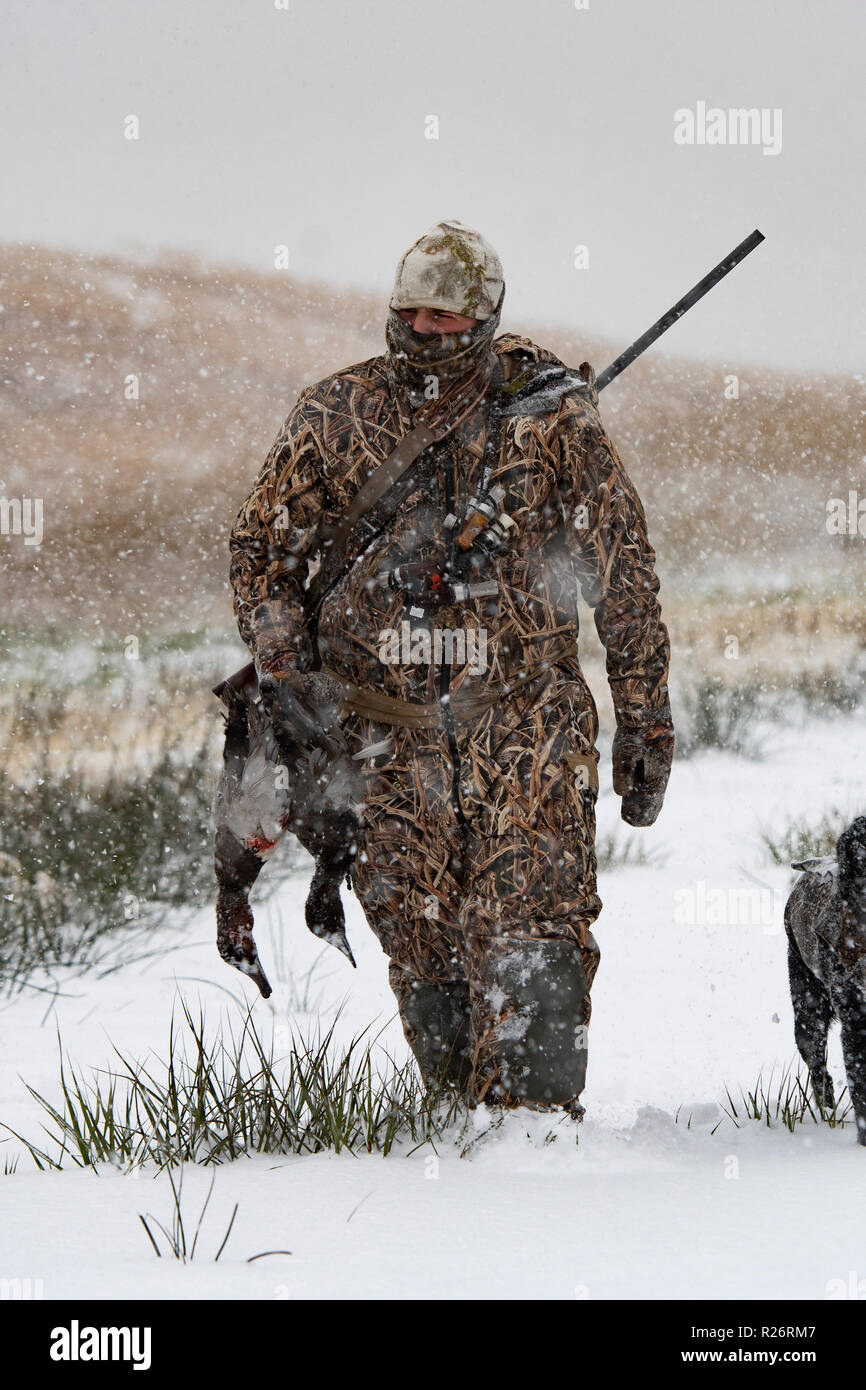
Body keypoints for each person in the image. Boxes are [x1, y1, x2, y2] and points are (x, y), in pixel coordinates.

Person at [217, 218, 674, 1116]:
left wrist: (646, 721)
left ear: (490, 317)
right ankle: (465, 1145)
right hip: (385, 743)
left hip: (527, 723)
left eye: (451, 320)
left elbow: (625, 580)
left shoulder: (554, 421)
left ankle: (538, 1142)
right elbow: (260, 552)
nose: (429, 332)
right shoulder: (335, 413)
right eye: (414, 313)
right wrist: (287, 668)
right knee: (425, 948)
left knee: (533, 933)